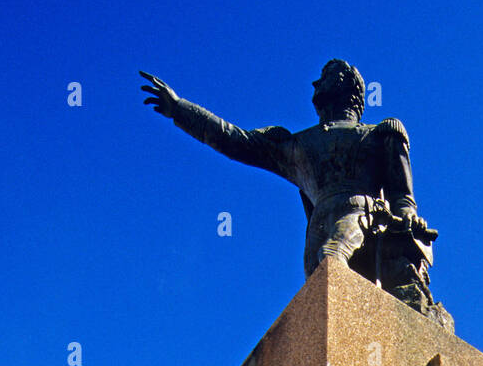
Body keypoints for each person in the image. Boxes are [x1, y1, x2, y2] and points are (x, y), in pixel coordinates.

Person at [140, 59, 451, 326]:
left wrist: (408, 216)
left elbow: (402, 196)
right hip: (318, 222)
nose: (315, 83)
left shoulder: (381, 134)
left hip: (363, 216)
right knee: (320, 295)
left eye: (325, 76)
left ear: (344, 86)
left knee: (332, 258)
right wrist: (179, 109)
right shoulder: (295, 145)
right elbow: (234, 140)